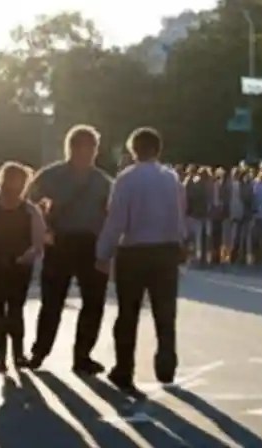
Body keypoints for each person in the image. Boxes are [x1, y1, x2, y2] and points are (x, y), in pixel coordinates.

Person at [95, 127, 186, 396]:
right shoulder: (171, 178)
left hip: (134, 251)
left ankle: (125, 370)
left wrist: (103, 252)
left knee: (128, 314)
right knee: (165, 312)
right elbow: (178, 215)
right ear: (158, 150)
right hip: (166, 250)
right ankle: (166, 363)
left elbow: (116, 220)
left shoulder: (126, 180)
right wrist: (181, 243)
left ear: (134, 149)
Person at [26, 125, 113, 373]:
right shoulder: (51, 175)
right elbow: (29, 202)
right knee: (52, 302)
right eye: (84, 147)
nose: (88, 153)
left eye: (91, 148)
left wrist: (108, 248)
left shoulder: (103, 181)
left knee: (93, 303)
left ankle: (82, 356)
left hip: (91, 244)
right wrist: (42, 229)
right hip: (60, 241)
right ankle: (39, 351)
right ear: (71, 148)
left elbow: (111, 214)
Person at [0, 162, 46, 371]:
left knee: (14, 310)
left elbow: (37, 242)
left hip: (18, 266)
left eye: (19, 182)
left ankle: (18, 354)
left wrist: (27, 256)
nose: (14, 187)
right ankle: (2, 355)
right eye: (11, 181)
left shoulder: (31, 210)